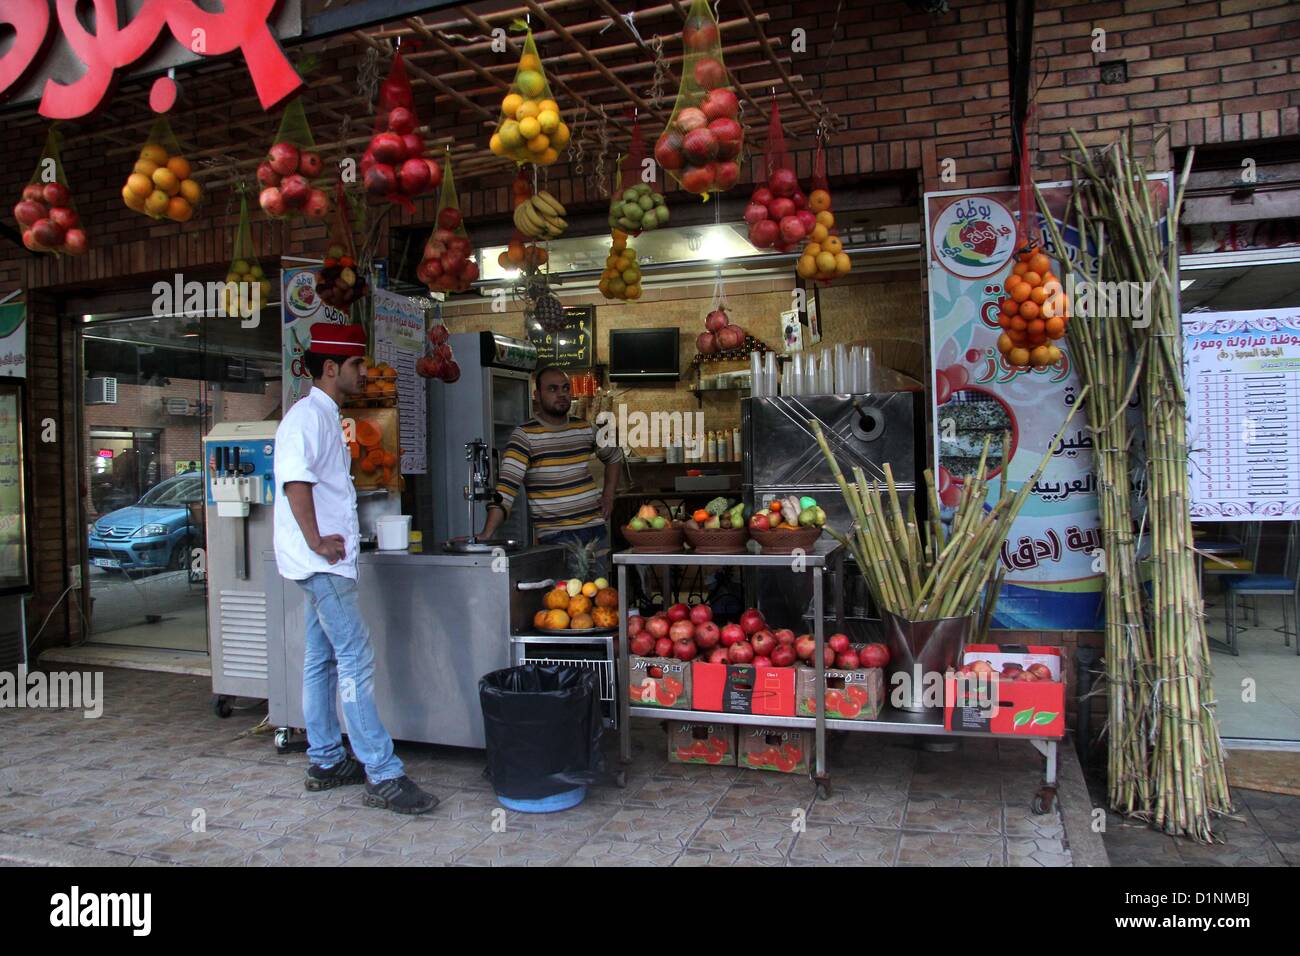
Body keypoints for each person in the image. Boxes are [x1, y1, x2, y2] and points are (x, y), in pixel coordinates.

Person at [273, 322, 437, 815]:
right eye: (356, 366)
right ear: (330, 369)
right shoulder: (306, 419)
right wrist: (317, 541)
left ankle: (325, 759)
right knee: (356, 660)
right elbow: (295, 485)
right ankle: (381, 772)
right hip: (321, 562)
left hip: (325, 562)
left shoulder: (327, 417)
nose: (364, 373)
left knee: (321, 659)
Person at [481, 365, 623, 578]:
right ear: (537, 395)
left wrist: (609, 495)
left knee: (601, 603)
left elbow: (615, 456)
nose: (562, 394)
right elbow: (506, 489)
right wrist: (487, 533)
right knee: (564, 605)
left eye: (565, 388)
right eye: (553, 389)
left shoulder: (585, 428)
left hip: (595, 532)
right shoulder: (524, 436)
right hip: (556, 539)